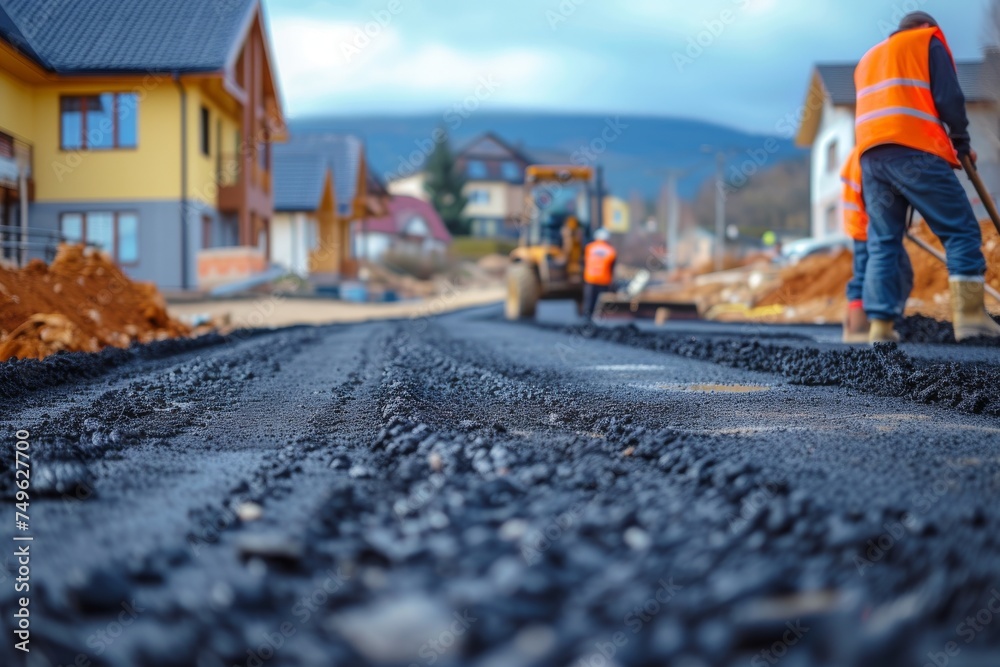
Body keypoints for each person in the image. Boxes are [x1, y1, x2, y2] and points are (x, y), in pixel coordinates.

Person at [855, 11, 1000, 343]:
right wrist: (961, 142)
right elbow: (949, 97)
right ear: (925, 26)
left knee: (883, 242)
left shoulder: (868, 59)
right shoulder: (926, 41)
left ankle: (880, 327)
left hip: (871, 158)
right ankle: (970, 317)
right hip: (915, 151)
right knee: (961, 229)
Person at [840, 147, 913, 343]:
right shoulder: (870, 152)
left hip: (861, 225)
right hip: (867, 227)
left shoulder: (860, 152)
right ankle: (865, 327)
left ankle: (861, 328)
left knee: (864, 273)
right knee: (893, 269)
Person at [583, 228, 617, 320]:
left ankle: (587, 318)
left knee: (589, 300)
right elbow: (612, 267)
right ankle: (599, 318)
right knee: (601, 301)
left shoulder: (589, 247)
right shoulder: (611, 250)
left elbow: (585, 261)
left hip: (590, 278)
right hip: (603, 280)